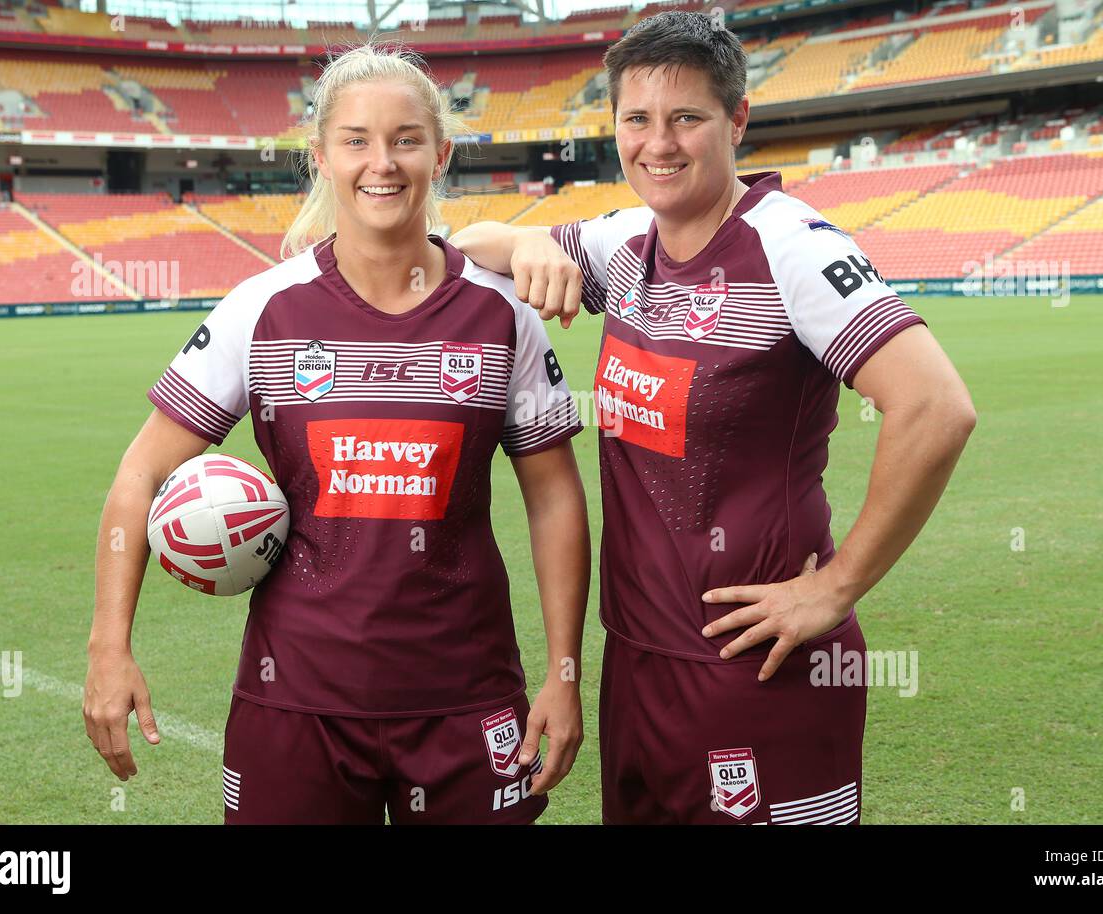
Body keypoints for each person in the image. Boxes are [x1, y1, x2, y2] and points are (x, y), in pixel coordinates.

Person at [452, 11, 976, 824]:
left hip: (760, 668)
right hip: (636, 663)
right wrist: (525, 246)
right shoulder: (623, 243)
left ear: (737, 121)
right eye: (637, 120)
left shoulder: (791, 247)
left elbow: (936, 406)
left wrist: (835, 589)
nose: (657, 144)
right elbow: (464, 238)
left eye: (686, 118)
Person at [84, 44, 591, 825]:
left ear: (442, 152)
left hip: (467, 699)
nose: (380, 163)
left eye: (405, 139)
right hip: (296, 702)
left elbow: (554, 497)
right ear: (320, 156)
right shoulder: (263, 309)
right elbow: (139, 475)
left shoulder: (502, 313)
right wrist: (107, 648)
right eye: (355, 140)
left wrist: (565, 673)